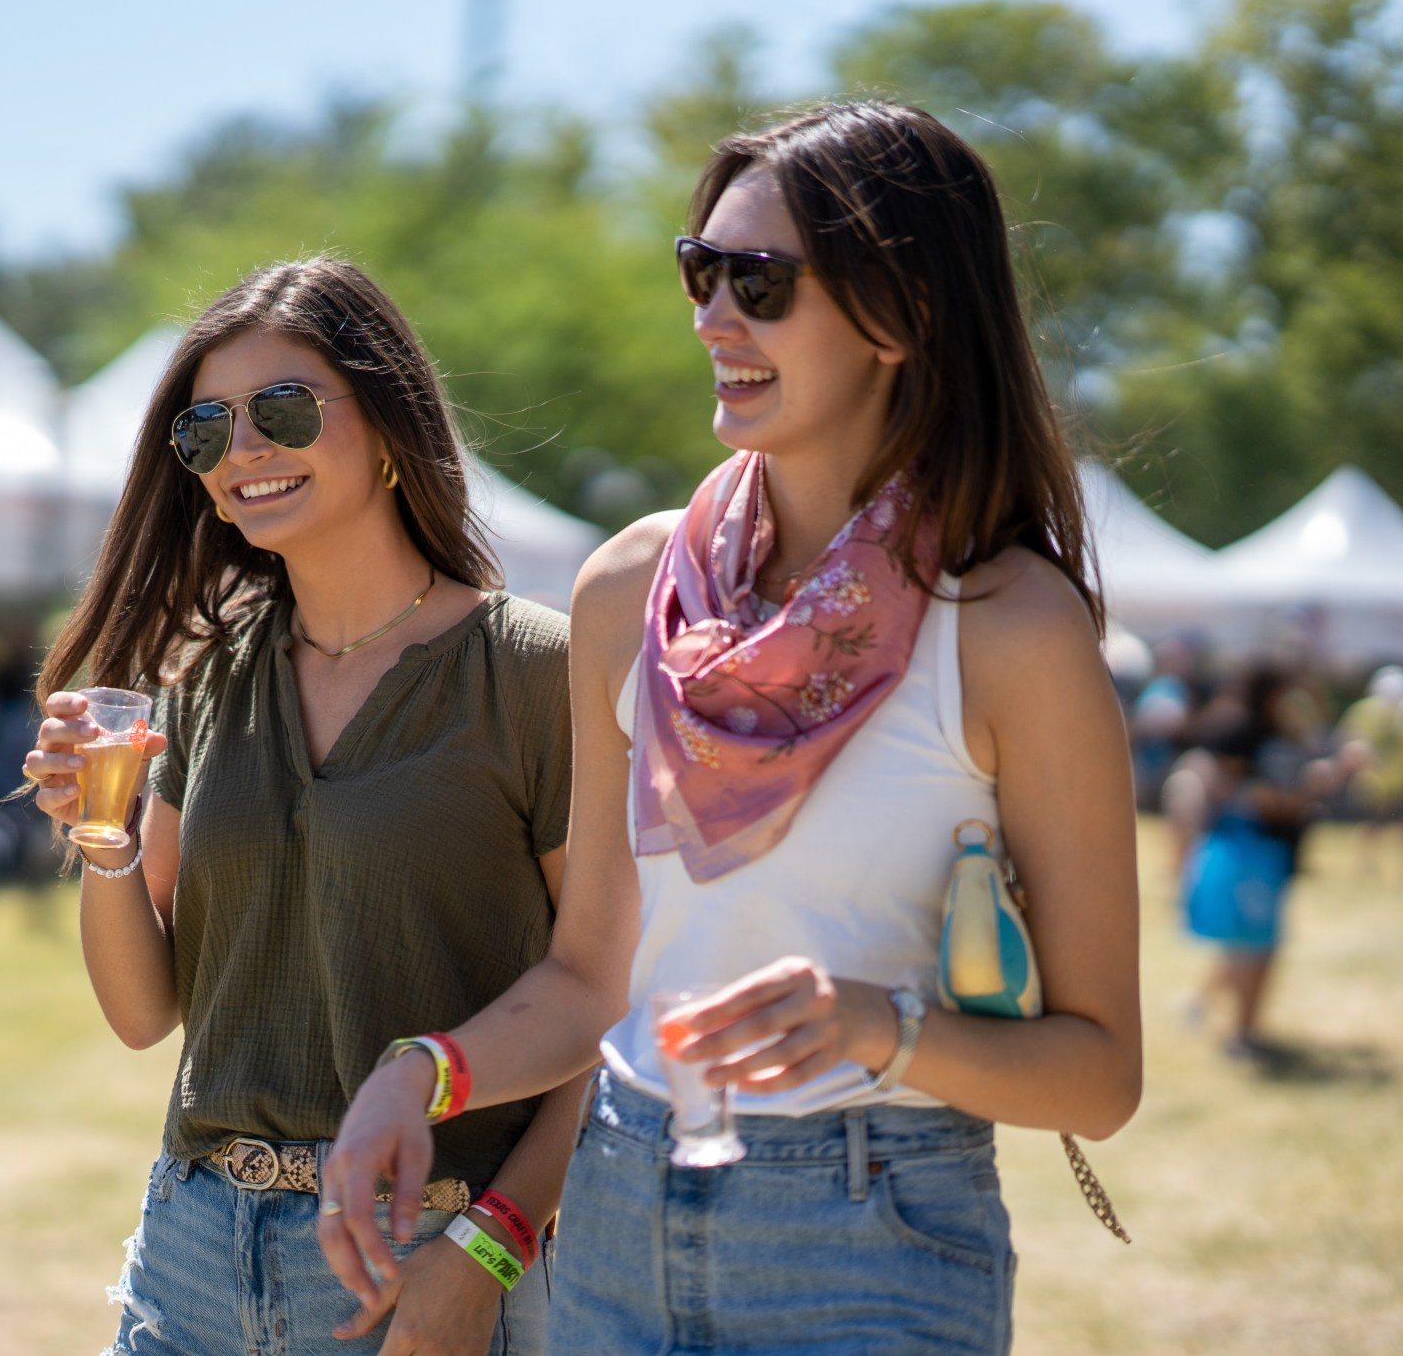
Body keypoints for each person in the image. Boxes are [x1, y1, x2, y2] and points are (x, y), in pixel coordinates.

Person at [323, 101, 1143, 1355]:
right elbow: (591, 977)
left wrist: (882, 1027)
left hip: (871, 1236)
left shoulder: (1011, 630)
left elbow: (1098, 1073)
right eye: (698, 272)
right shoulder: (625, 590)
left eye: (759, 281)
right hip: (615, 1212)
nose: (713, 318)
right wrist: (418, 1073)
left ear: (903, 315)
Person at [23, 258, 583, 1355]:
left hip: (423, 1254)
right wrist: (102, 841)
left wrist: (492, 1248)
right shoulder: (205, 678)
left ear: (385, 425)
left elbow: (606, 1000)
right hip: (189, 1250)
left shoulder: (533, 670)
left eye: (279, 411)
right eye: (204, 433)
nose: (241, 454)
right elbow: (144, 1016)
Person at [1179, 662, 1338, 1057]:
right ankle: (1242, 1035)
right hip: (1248, 849)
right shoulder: (1238, 731)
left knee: (1248, 942)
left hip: (1268, 850)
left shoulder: (1278, 731)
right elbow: (1232, 790)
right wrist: (1304, 793)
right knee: (1254, 944)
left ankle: (1207, 1010)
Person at [1338, 665, 1403, 880]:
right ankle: (1367, 861)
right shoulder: (1364, 712)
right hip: (1371, 780)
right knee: (1372, 822)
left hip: (1396, 779)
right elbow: (1350, 740)